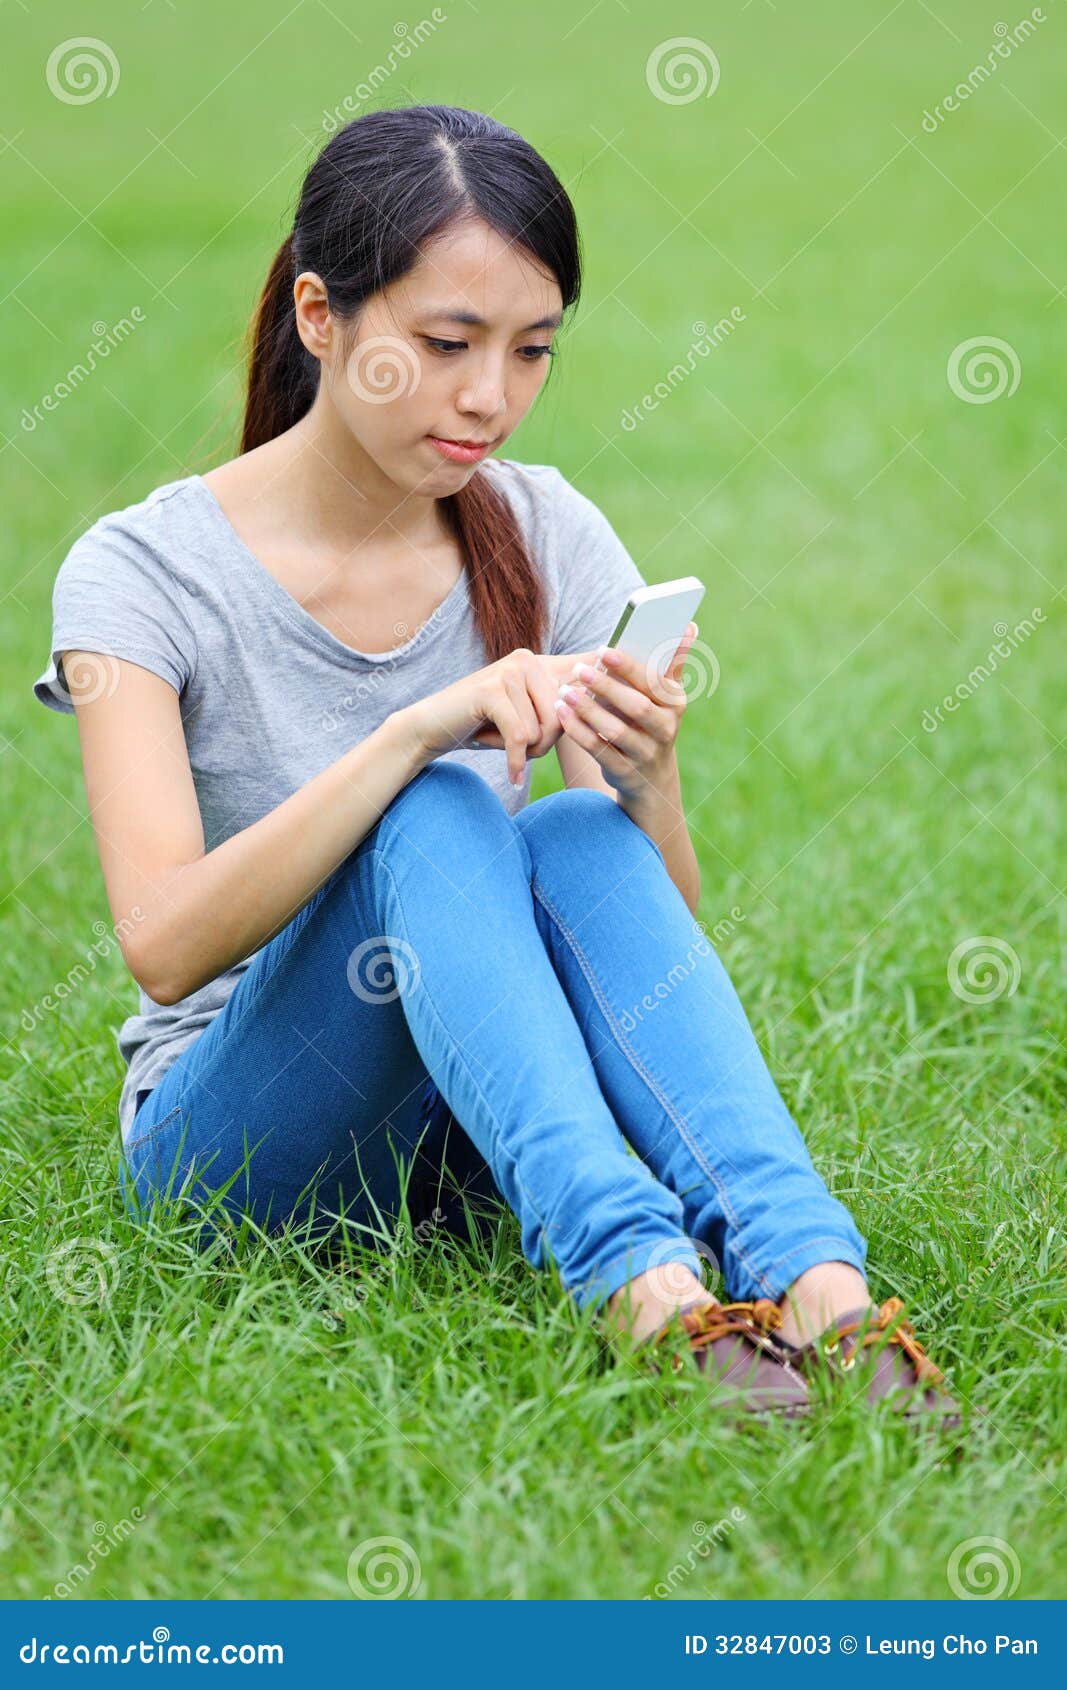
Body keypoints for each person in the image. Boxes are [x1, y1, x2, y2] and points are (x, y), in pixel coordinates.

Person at [32, 104, 956, 1422]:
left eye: (531, 351)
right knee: (442, 803)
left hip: (468, 1127)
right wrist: (412, 732)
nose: (490, 399)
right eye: (446, 344)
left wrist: (645, 781)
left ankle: (819, 1285)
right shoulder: (140, 572)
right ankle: (645, 1289)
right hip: (244, 1140)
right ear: (319, 315)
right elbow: (165, 941)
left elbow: (645, 962)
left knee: (577, 835)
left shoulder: (548, 529)